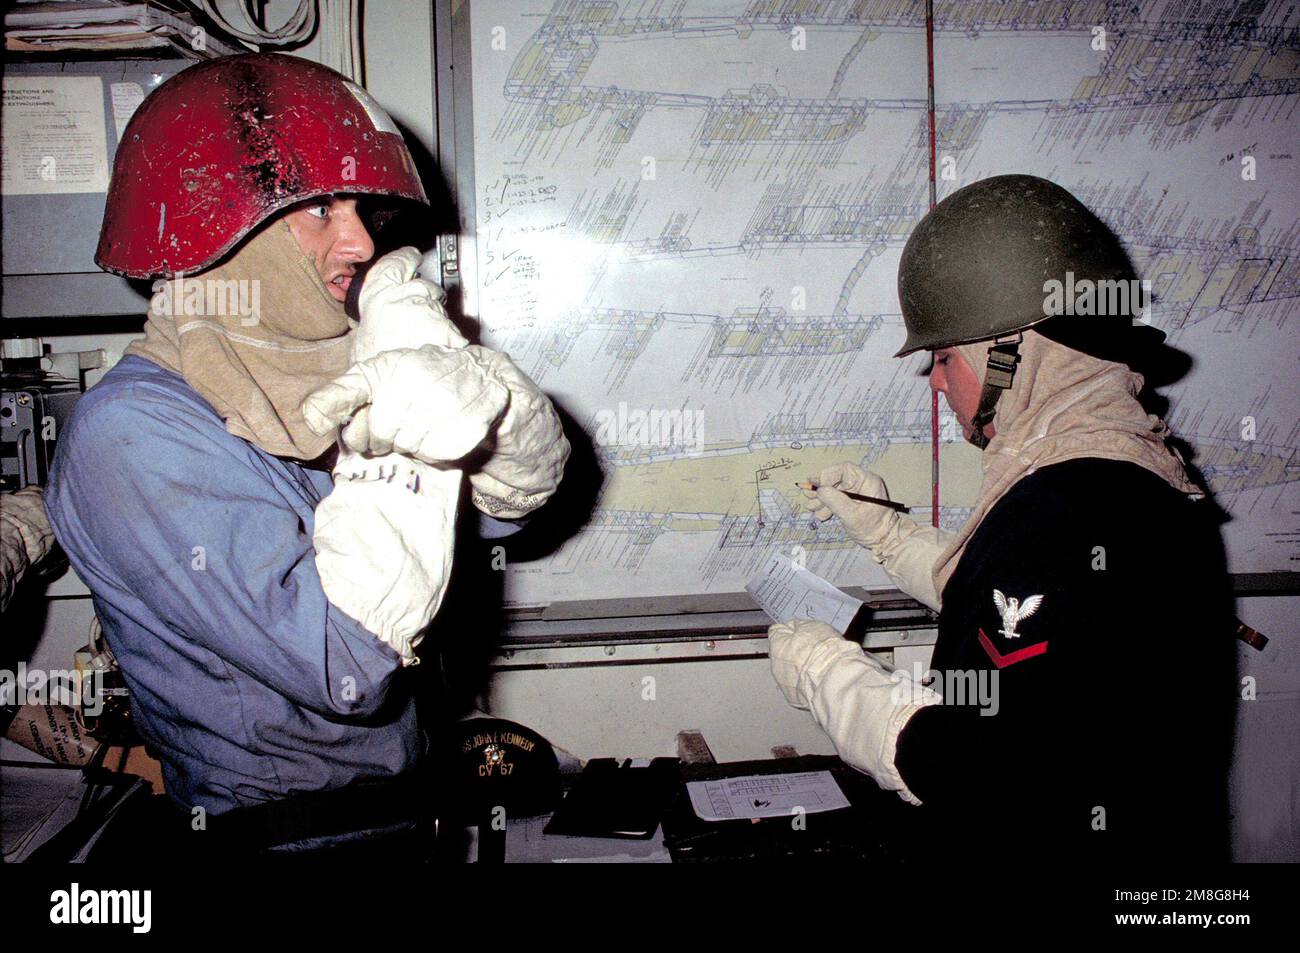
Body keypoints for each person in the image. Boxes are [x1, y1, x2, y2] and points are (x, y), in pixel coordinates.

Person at [42, 53, 569, 857]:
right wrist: (413, 442)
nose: (359, 240)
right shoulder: (134, 435)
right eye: (320, 209)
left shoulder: (315, 373)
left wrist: (494, 430)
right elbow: (345, 663)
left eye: (359, 208)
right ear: (217, 226)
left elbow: (493, 529)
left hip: (402, 814)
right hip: (285, 842)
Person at [768, 175, 1234, 861]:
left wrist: (829, 675)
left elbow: (970, 765)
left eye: (945, 356)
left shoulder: (1059, 506)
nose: (934, 380)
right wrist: (886, 534)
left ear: (1008, 354)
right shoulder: (1121, 467)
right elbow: (1037, 612)